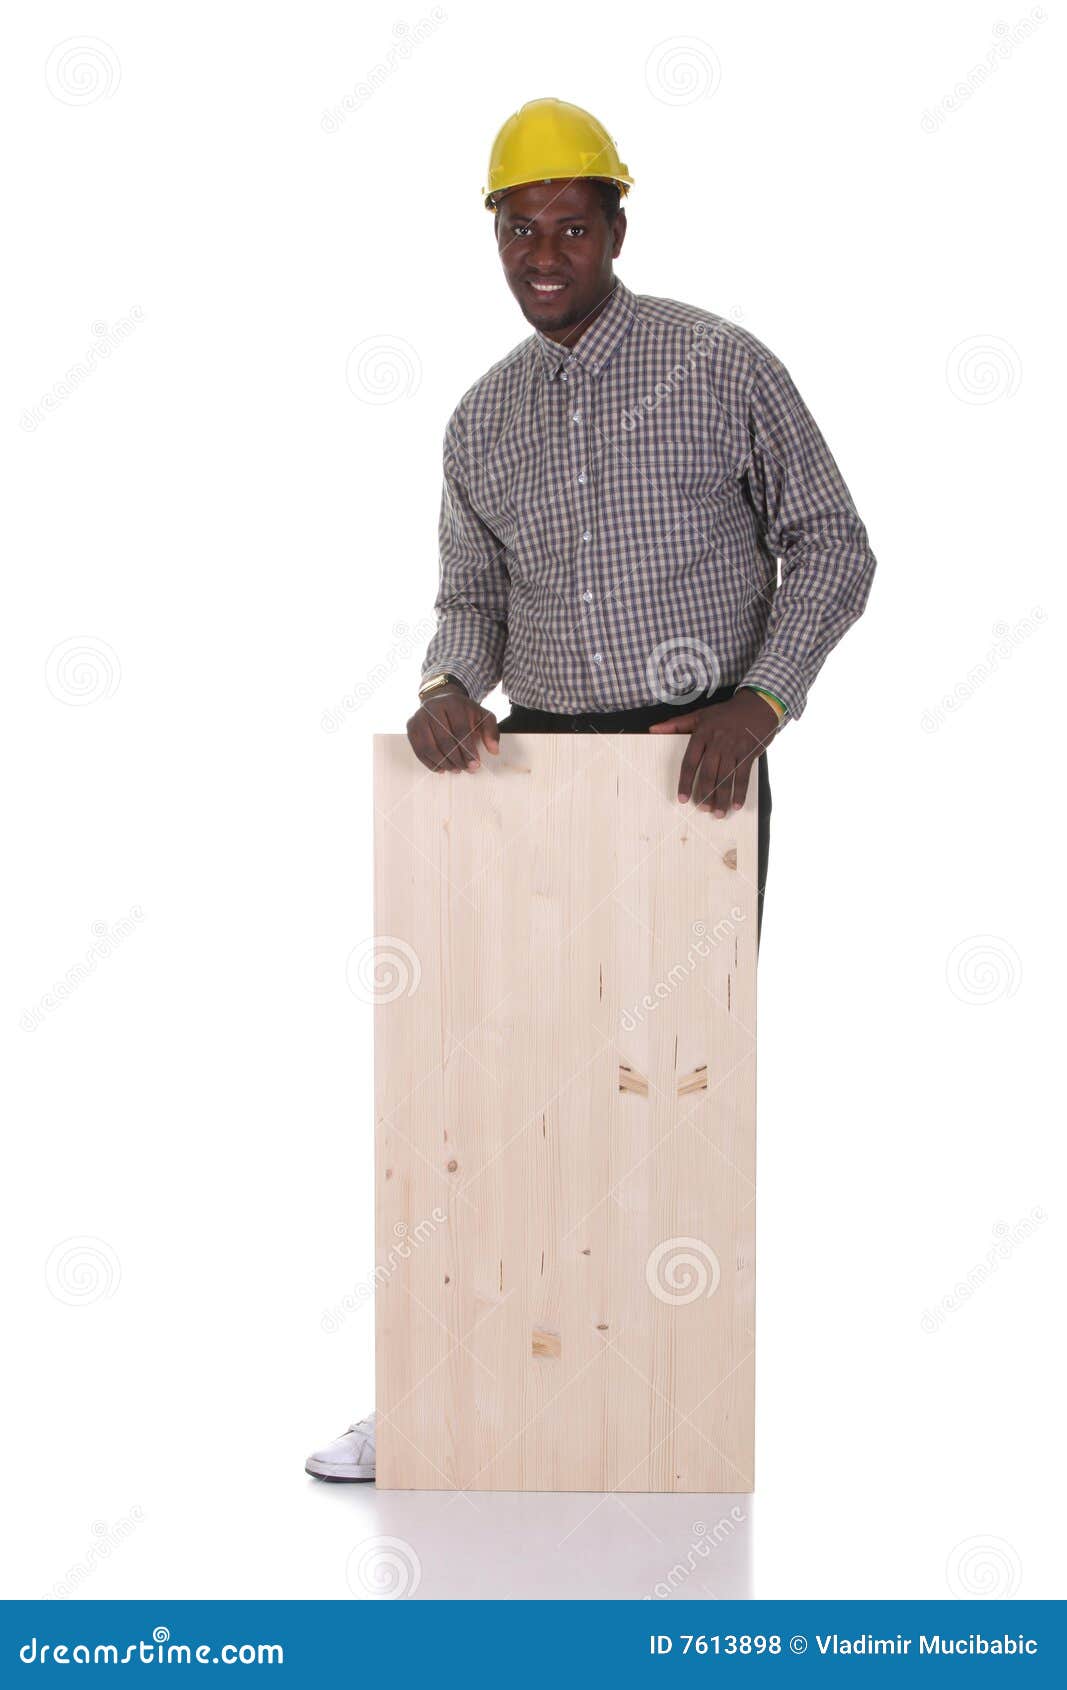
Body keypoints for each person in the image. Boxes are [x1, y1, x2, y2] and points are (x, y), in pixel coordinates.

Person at [306, 97, 877, 1484]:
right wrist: (450, 684)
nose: (545, 249)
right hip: (535, 778)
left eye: (572, 222)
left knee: (667, 1089)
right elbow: (470, 596)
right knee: (498, 1093)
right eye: (521, 226)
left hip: (694, 774)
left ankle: (657, 1401)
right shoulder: (481, 419)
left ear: (619, 225)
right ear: (493, 236)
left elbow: (834, 544)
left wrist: (767, 697)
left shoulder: (720, 365)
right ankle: (449, 1387)